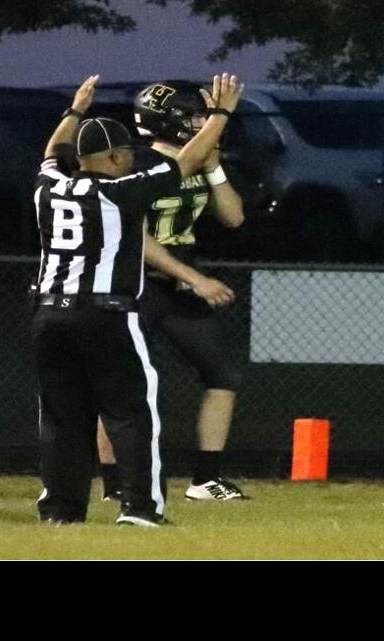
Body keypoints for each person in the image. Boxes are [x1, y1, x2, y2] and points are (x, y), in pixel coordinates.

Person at [32, 73, 242, 526]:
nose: (130, 158)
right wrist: (220, 116)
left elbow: (53, 152)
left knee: (61, 418)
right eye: (123, 153)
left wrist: (74, 112)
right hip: (104, 312)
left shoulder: (48, 185)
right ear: (109, 157)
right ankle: (140, 509)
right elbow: (183, 165)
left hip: (49, 314)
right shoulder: (117, 193)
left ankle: (60, 510)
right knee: (132, 412)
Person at [97, 79, 249, 502]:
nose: (205, 123)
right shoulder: (134, 163)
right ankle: (115, 485)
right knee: (124, 387)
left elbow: (234, 218)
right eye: (196, 116)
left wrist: (214, 165)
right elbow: (133, 236)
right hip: (133, 286)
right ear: (170, 121)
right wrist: (194, 277)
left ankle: (206, 478)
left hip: (178, 286)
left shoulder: (201, 161)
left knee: (223, 375)